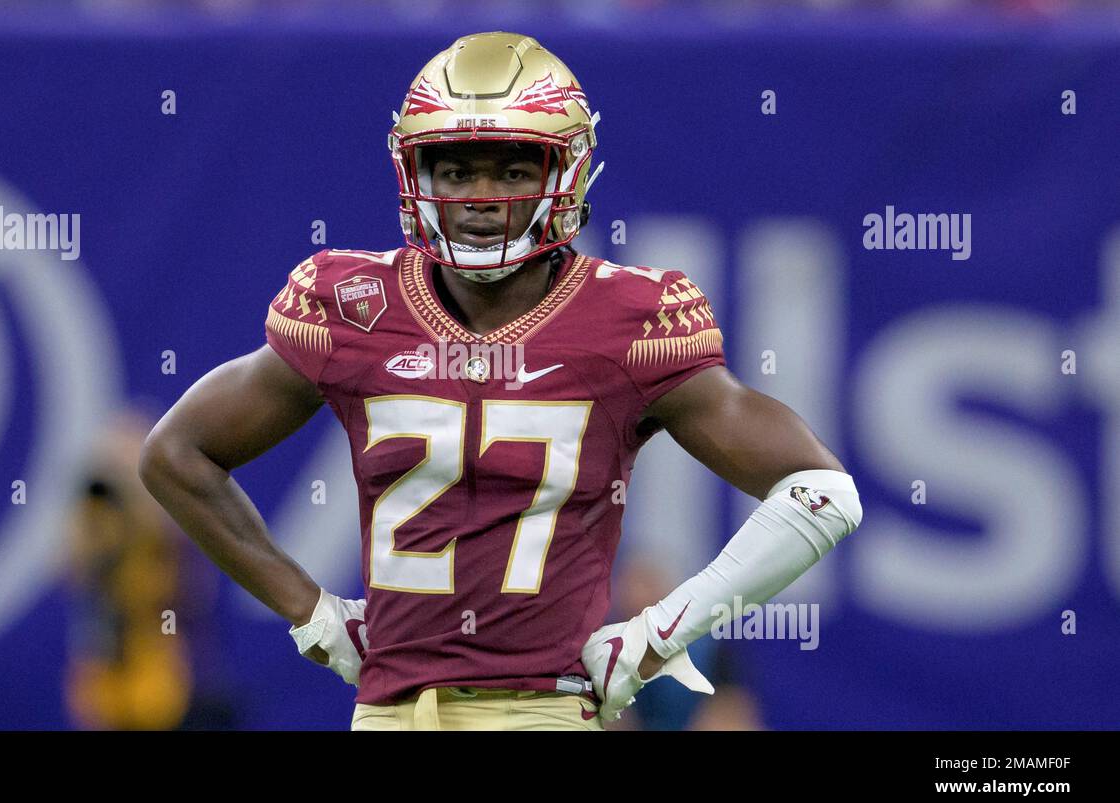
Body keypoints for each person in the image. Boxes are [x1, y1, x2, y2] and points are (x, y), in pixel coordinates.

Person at [138, 31, 862, 731]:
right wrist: (315, 615)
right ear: (417, 175)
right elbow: (175, 455)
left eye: (512, 170)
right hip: (386, 713)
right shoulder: (353, 304)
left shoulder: (629, 318)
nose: (480, 195)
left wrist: (658, 634)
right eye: (456, 170)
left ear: (565, 175)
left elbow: (821, 492)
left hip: (542, 711)